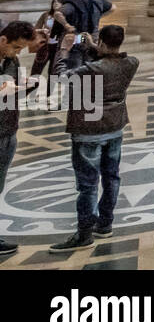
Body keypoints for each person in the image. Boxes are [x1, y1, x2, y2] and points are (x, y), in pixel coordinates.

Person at [49, 25, 139, 252]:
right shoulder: (132, 63)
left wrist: (64, 52)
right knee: (111, 178)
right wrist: (93, 47)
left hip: (88, 129)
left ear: (102, 42)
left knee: (88, 185)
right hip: (115, 126)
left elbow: (60, 77)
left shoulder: (90, 70)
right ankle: (105, 223)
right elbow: (110, 60)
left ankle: (84, 233)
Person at [0, 20, 44, 259]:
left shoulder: (12, 60)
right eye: (16, 47)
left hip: (7, 131)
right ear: (3, 39)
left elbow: (11, 91)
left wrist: (25, 87)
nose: (18, 53)